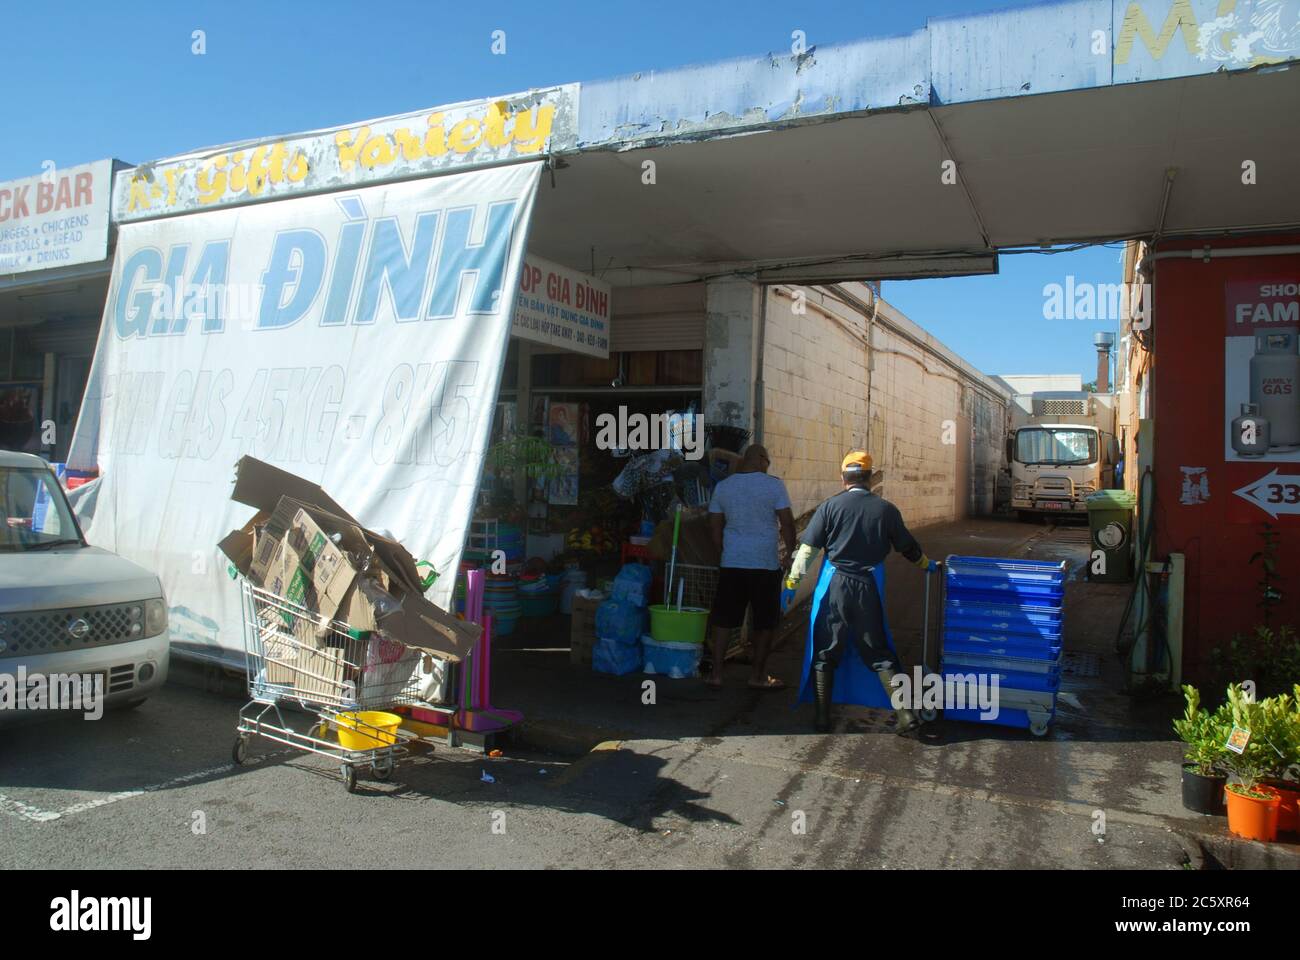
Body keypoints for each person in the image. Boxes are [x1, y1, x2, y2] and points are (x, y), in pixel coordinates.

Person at [781, 451, 936, 734]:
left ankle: (821, 719)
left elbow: (807, 551)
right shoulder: (886, 510)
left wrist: (791, 583)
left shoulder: (829, 508)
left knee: (826, 651)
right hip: (867, 586)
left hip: (836, 586)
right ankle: (905, 716)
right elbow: (907, 547)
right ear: (869, 478)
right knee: (878, 652)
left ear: (843, 478)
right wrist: (927, 565)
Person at [705, 443, 796, 690]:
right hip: (765, 564)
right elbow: (787, 523)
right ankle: (757, 676)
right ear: (762, 459)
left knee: (723, 619)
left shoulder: (724, 487)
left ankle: (716, 674)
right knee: (765, 621)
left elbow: (714, 527)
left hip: (732, 562)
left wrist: (723, 553)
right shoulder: (773, 485)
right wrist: (790, 553)